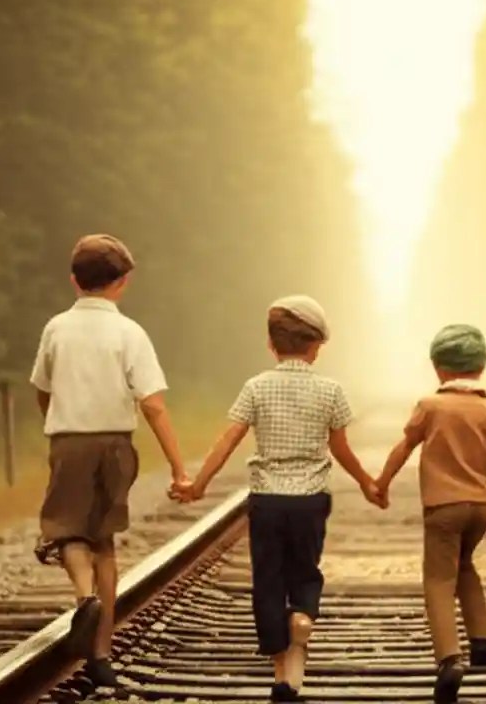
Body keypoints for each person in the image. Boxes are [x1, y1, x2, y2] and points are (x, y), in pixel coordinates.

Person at [174, 295, 383, 703]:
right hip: (309, 501)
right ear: (316, 346)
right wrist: (366, 482)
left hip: (267, 500)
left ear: (271, 345)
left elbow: (227, 440)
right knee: (305, 570)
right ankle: (303, 616)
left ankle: (280, 675)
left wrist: (197, 484)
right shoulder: (330, 391)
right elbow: (340, 450)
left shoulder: (256, 387)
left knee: (267, 579)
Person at [30, 234, 190, 687]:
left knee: (66, 531)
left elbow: (41, 387)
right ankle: (101, 657)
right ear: (123, 283)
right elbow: (154, 405)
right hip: (116, 445)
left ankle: (84, 600)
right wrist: (178, 467)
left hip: (69, 442)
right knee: (104, 543)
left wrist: (57, 423)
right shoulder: (129, 333)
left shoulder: (56, 328)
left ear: (74, 281)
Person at [375, 324, 486, 704]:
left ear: (439, 368)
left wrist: (381, 483)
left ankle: (449, 659)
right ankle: (482, 640)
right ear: (481, 368)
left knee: (439, 578)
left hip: (444, 506)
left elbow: (404, 447)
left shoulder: (431, 406)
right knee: (466, 564)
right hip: (482, 506)